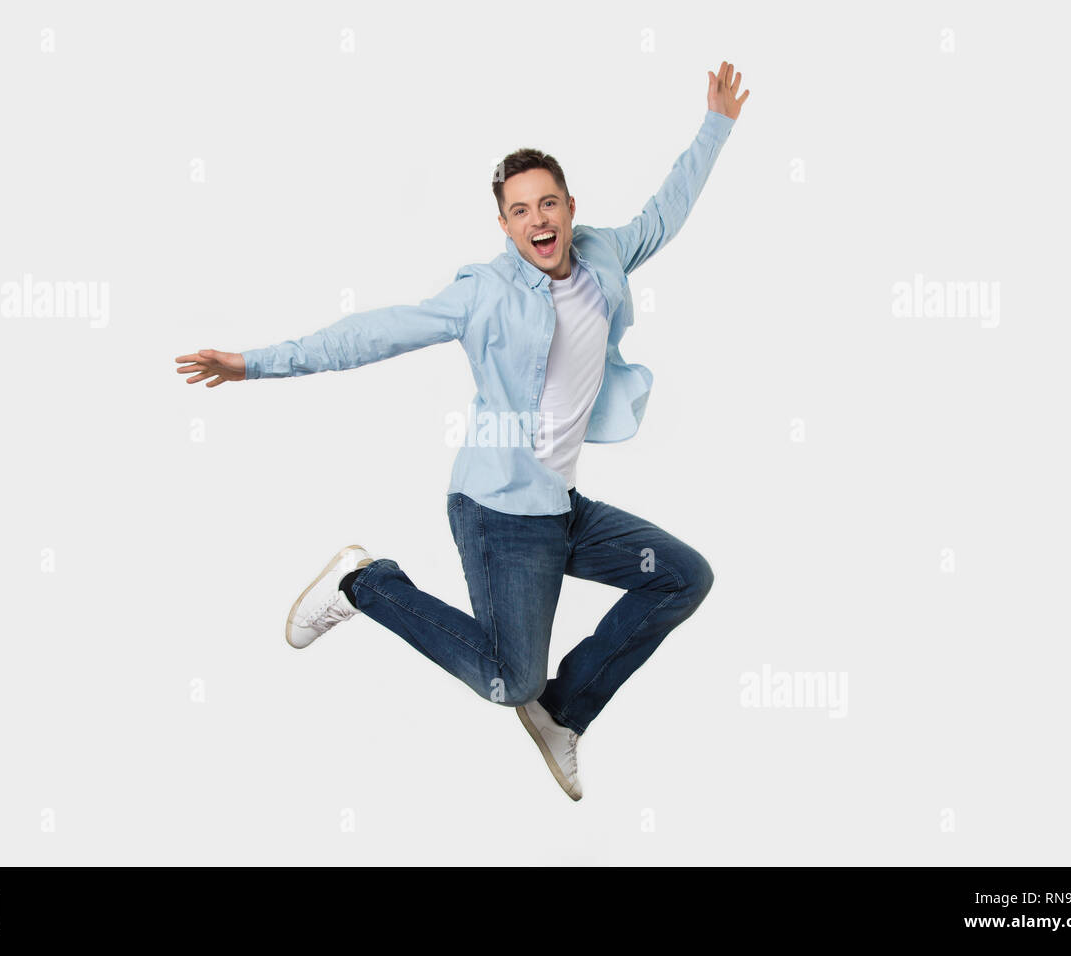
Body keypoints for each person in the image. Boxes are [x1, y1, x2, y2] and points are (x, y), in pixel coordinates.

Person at [176, 62, 750, 801]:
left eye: (549, 204)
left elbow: (668, 209)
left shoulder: (604, 256)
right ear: (504, 224)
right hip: (498, 513)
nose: (538, 221)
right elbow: (373, 333)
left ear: (571, 207)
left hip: (563, 508)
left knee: (683, 575)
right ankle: (366, 583)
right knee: (508, 678)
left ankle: (564, 712)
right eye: (520, 211)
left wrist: (717, 124)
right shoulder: (485, 294)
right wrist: (254, 364)